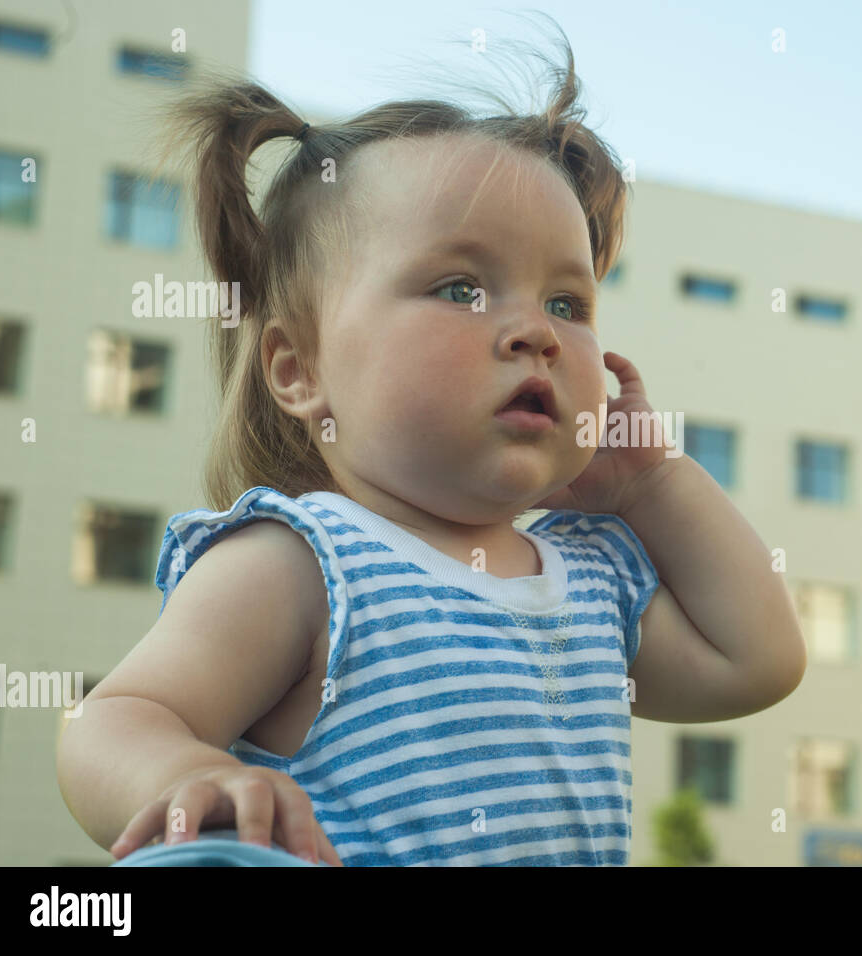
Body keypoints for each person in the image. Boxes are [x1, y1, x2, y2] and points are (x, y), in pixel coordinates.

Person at [55, 23, 806, 867]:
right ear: (299, 369)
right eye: (461, 288)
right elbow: (115, 720)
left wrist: (650, 486)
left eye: (568, 303)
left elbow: (759, 660)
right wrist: (187, 773)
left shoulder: (589, 584)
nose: (536, 333)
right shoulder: (308, 564)